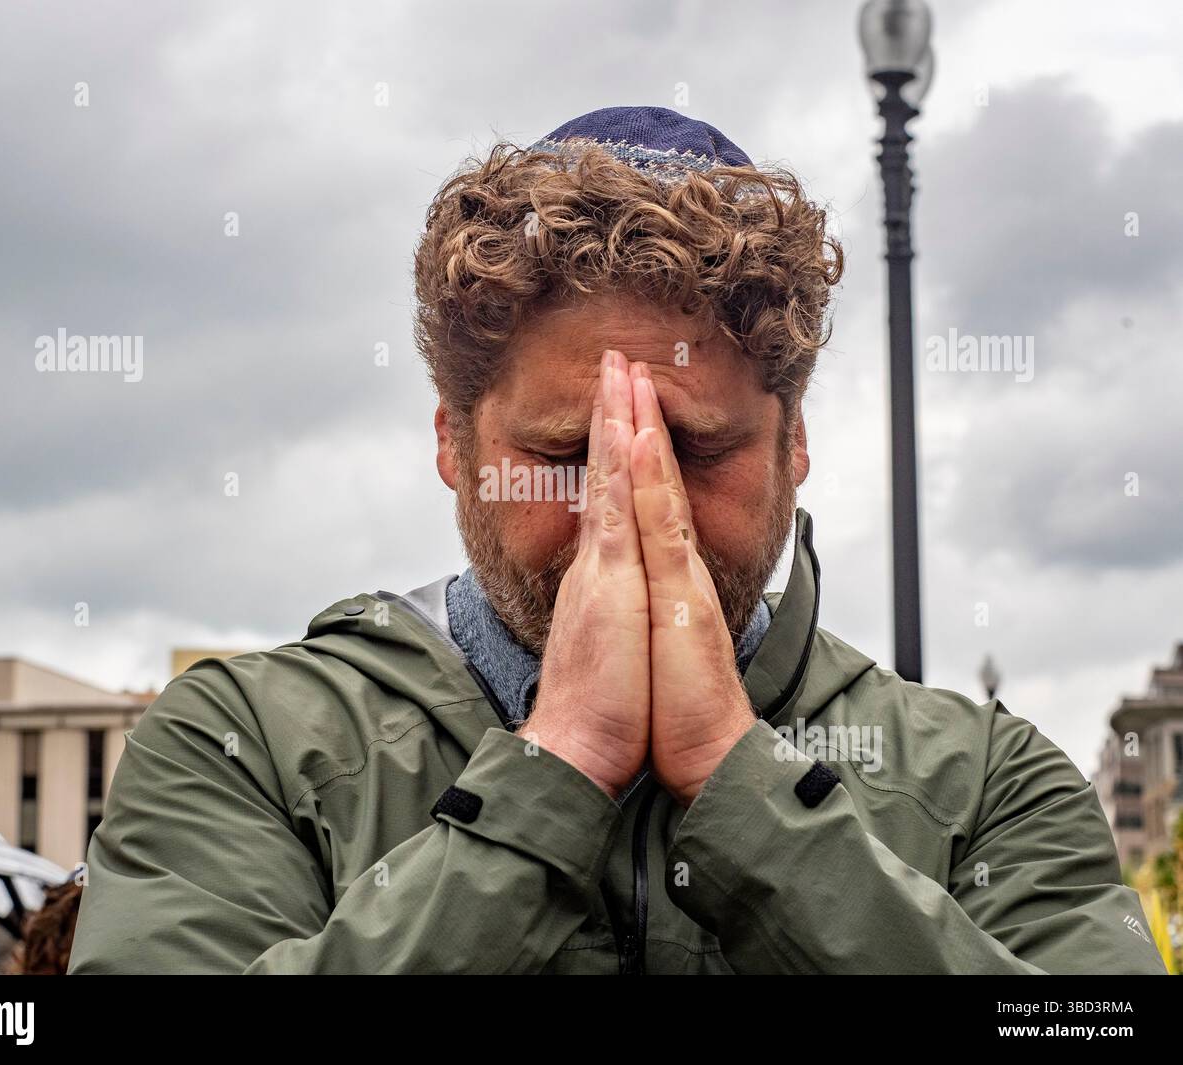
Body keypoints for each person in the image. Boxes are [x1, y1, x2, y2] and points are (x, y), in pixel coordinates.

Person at [68, 106, 1165, 975]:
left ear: (794, 446)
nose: (636, 506)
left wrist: (743, 791)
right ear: (453, 442)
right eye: (564, 453)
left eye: (699, 450)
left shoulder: (988, 785)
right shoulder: (242, 747)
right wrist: (557, 770)